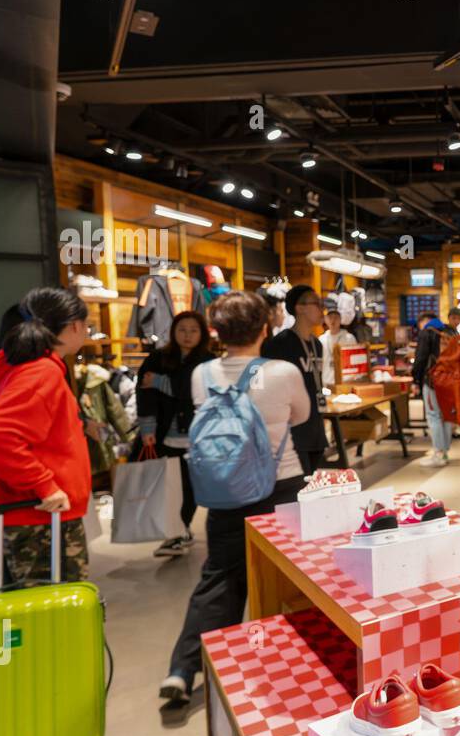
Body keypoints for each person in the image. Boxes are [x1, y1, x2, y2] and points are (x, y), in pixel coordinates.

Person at [161, 292, 311, 707]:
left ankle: (183, 669)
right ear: (264, 329)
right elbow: (302, 416)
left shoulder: (202, 373)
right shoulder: (282, 371)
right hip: (279, 487)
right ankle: (283, 662)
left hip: (224, 490)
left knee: (219, 579)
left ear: (217, 332)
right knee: (285, 579)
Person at [0, 287, 93, 584]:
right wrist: (45, 486)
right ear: (75, 325)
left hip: (31, 513)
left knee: (49, 613)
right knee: (58, 617)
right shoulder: (41, 371)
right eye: (87, 325)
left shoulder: (27, 367)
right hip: (38, 516)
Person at [137, 310, 214, 557]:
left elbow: (192, 391)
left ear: (202, 333)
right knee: (171, 486)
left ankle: (181, 530)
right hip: (165, 433)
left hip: (198, 434)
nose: (187, 335)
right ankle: (177, 531)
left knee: (191, 486)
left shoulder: (209, 361)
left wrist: (161, 382)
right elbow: (144, 393)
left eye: (194, 330)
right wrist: (147, 429)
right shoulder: (157, 358)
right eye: (182, 329)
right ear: (173, 331)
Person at [261, 284, 328, 473]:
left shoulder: (317, 344)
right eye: (316, 303)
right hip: (292, 431)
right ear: (300, 308)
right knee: (298, 490)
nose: (322, 308)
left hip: (316, 426)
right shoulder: (280, 344)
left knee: (311, 485)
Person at [411, 312, 453, 467]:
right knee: (446, 415)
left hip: (433, 381)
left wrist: (415, 378)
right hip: (450, 380)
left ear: (424, 321)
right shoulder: (449, 330)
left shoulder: (427, 332)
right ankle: (445, 451)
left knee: (433, 415)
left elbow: (421, 358)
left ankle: (439, 454)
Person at [319, 294, 358, 388]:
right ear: (325, 319)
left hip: (345, 383)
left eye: (336, 317)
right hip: (326, 383)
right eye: (330, 317)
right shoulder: (321, 340)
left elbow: (355, 362)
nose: (333, 320)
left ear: (341, 319)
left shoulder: (349, 338)